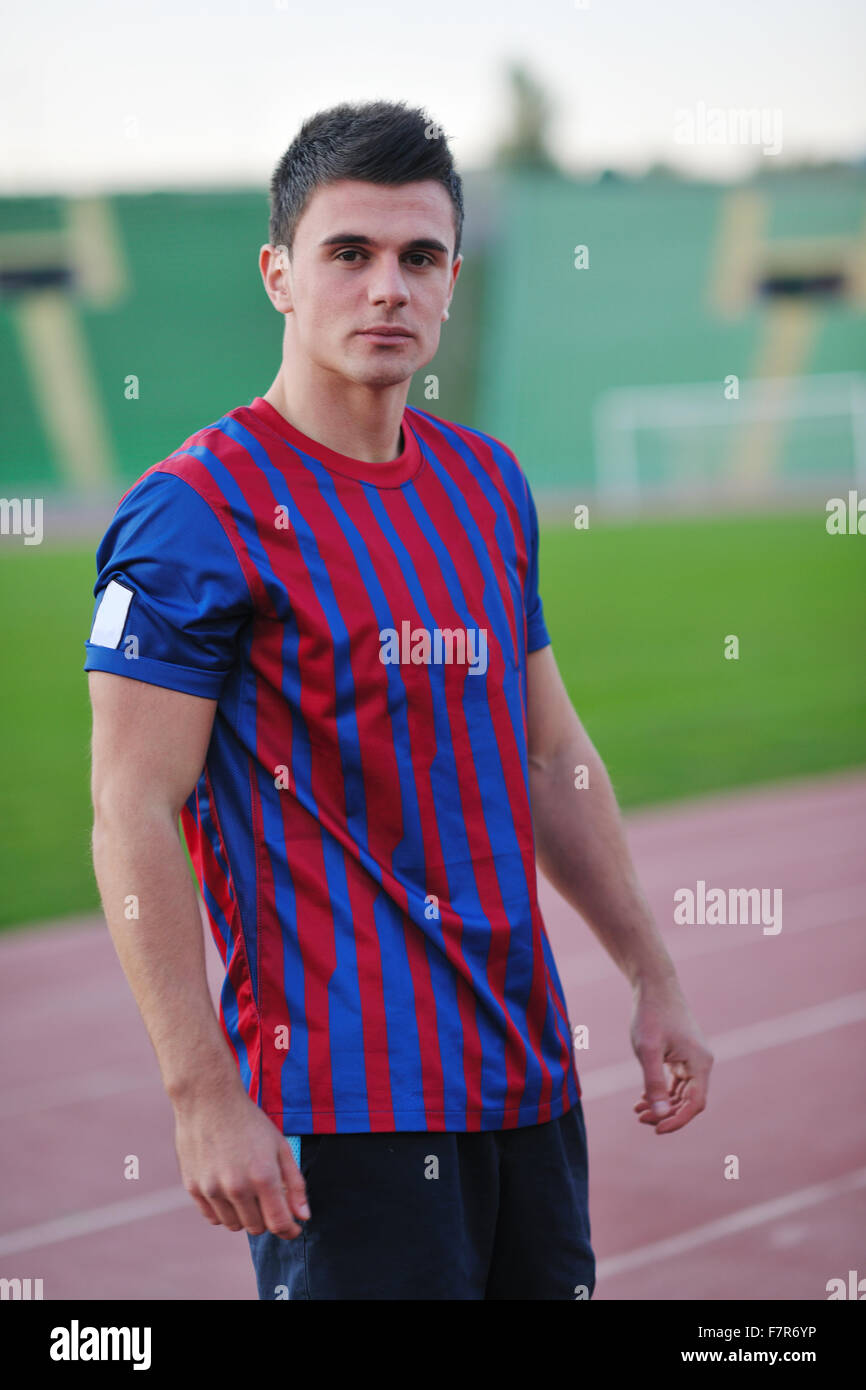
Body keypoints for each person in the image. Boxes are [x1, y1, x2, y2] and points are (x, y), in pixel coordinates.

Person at [84, 99, 713, 1301]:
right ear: (278, 273)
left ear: (452, 279)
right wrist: (201, 1089)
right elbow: (129, 811)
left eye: (418, 257)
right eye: (348, 254)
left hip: (524, 1077)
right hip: (343, 1105)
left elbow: (545, 755)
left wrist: (649, 971)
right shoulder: (194, 514)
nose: (387, 288)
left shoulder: (484, 485)